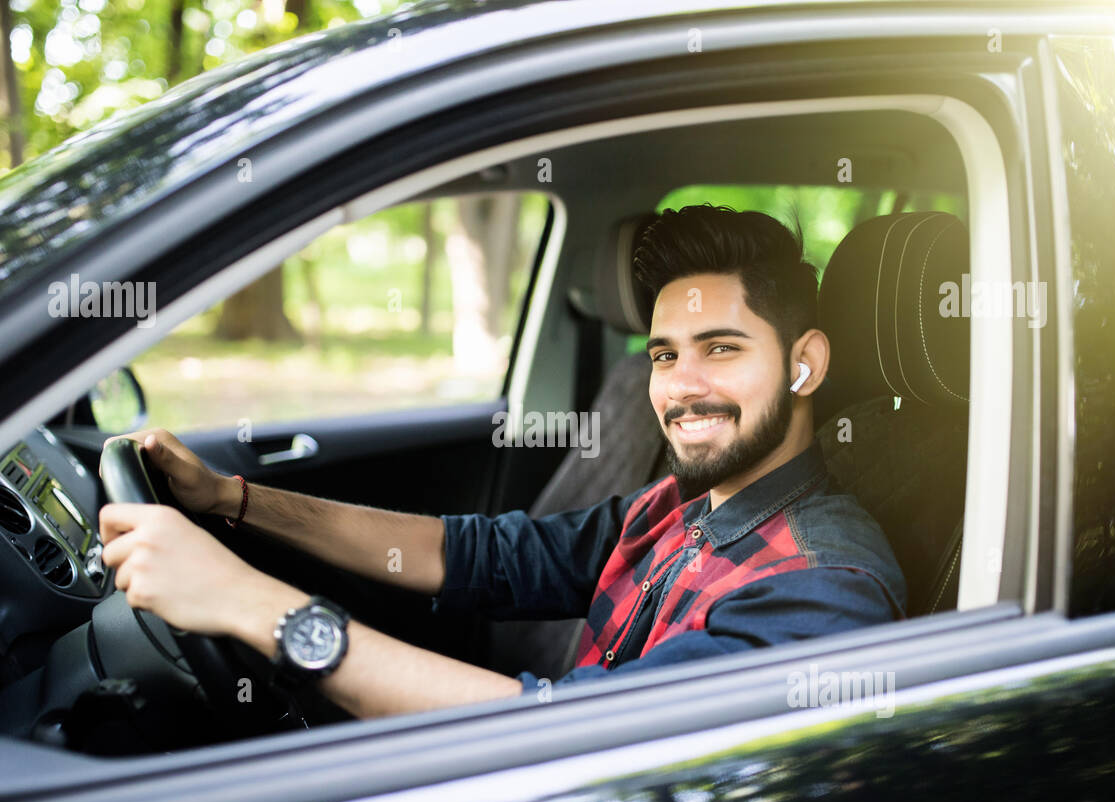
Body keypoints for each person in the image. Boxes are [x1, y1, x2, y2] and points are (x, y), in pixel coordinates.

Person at [99, 204, 905, 721]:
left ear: (804, 364)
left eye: (721, 350)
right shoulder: (679, 506)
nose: (681, 388)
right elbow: (471, 555)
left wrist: (252, 607)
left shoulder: (822, 587)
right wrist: (234, 501)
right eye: (663, 356)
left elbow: (563, 733)